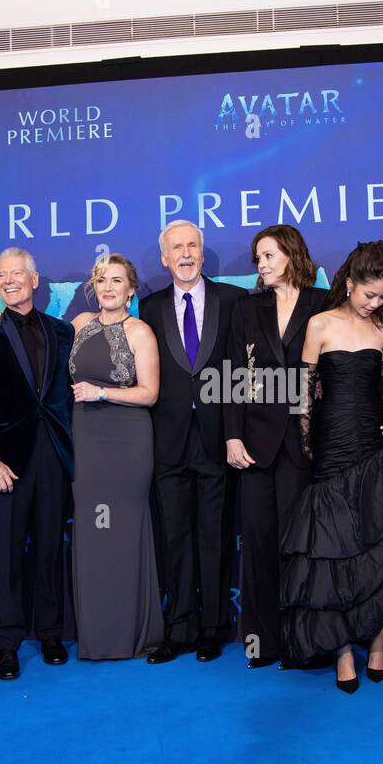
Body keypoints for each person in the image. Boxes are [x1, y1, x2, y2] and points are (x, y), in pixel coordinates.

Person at [280, 240, 383, 693]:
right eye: (369, 295)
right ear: (349, 285)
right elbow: (301, 394)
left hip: (376, 448)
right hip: (332, 445)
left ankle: (377, 645)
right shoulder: (320, 324)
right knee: (335, 548)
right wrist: (309, 449)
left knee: (381, 540)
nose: (375, 304)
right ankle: (343, 650)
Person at [138, 220, 247, 664]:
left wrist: (236, 432)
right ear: (164, 258)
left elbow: (244, 371)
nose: (185, 254)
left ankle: (212, 628)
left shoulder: (233, 301)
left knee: (214, 537)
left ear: (202, 254)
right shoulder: (147, 308)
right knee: (175, 537)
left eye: (192, 246)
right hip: (167, 442)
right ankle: (179, 627)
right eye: (176, 248)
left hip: (217, 439)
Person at [224, 225, 329, 669]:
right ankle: (262, 644)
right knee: (261, 543)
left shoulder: (322, 304)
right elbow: (229, 375)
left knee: (303, 544)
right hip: (255, 442)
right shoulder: (248, 308)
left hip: (307, 442)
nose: (262, 265)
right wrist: (231, 435)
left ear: (291, 254)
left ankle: (304, 643)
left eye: (269, 255)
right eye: (258, 258)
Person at [0, 247, 75, 679]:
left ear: (36, 280)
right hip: (7, 463)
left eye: (17, 273)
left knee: (51, 548)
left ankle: (51, 633)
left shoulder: (62, 332)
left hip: (53, 455)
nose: (9, 280)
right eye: (2, 275)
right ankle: (8, 641)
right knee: (7, 554)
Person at [68, 253, 165, 659]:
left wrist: (102, 391)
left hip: (127, 441)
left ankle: (131, 633)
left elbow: (150, 393)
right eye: (102, 280)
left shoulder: (140, 331)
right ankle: (98, 636)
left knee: (124, 532)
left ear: (130, 289)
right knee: (92, 533)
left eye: (117, 280)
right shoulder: (76, 326)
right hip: (84, 439)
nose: (108, 287)